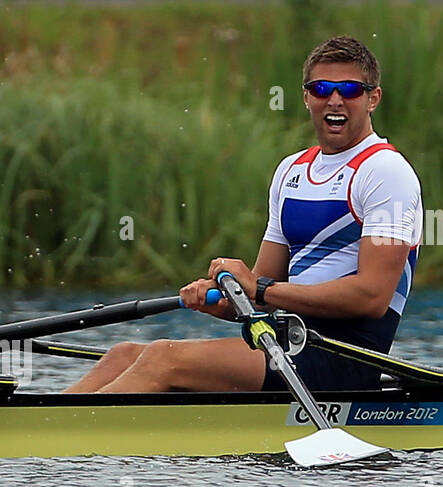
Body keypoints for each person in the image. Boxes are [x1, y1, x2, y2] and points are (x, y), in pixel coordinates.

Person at [67, 36, 422, 394]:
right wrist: (221, 298)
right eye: (320, 88)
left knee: (162, 357)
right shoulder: (291, 171)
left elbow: (372, 297)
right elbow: (259, 293)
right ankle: (41, 439)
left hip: (343, 358)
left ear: (373, 98)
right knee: (122, 354)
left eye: (349, 89)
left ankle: (69, 445)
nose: (334, 99)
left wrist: (260, 288)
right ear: (306, 97)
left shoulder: (386, 171)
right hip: (285, 345)